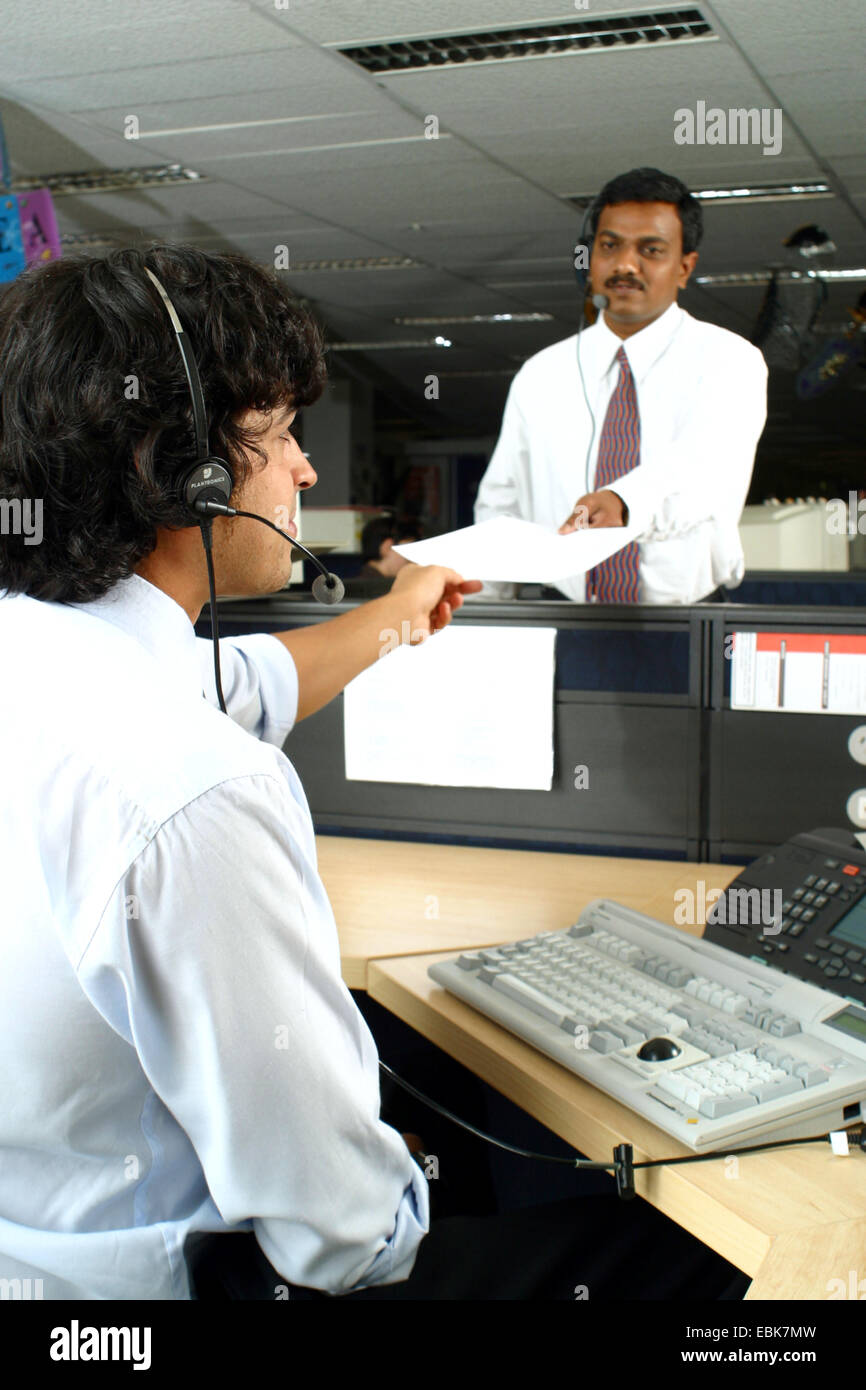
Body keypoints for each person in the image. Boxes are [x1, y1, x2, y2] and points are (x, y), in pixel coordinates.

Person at [0, 244, 478, 1301]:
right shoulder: (192, 787)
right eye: (278, 434)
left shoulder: (48, 663)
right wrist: (398, 1185)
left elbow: (249, 684)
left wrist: (395, 619)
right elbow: (340, 1238)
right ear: (182, 472)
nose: (306, 467)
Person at [474, 167, 768, 603]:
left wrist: (623, 502)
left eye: (651, 250)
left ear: (685, 267)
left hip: (685, 626)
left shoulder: (729, 360)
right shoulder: (542, 374)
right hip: (563, 617)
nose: (626, 265)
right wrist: (485, 611)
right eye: (610, 246)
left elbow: (704, 469)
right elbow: (503, 505)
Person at [348, 515, 425, 595]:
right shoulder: (385, 593)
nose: (414, 560)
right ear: (388, 546)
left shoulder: (355, 588)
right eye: (409, 550)